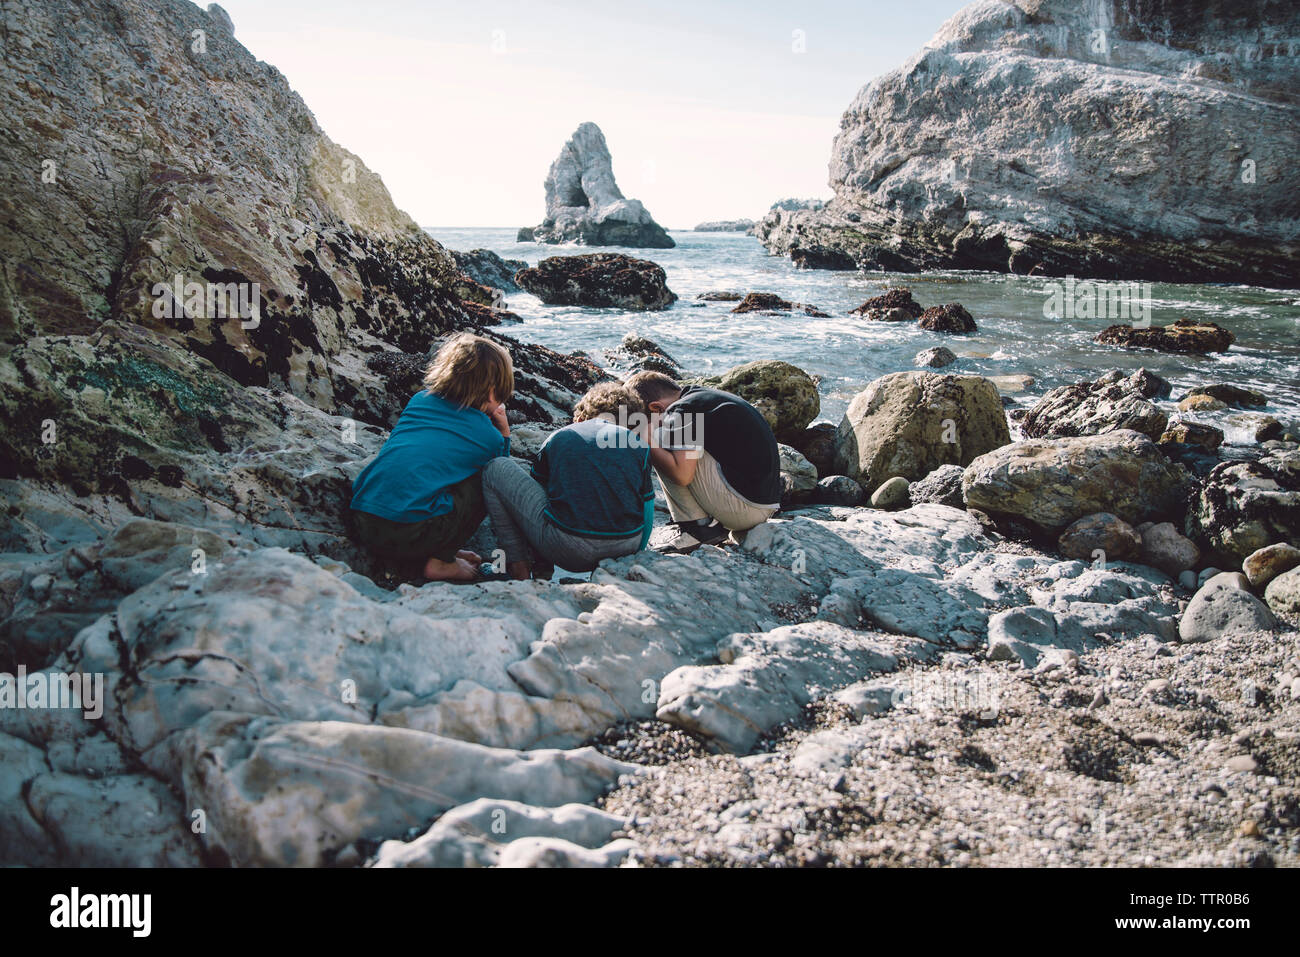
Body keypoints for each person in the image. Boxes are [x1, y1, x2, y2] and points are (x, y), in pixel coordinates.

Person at [349, 332, 513, 582]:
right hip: (409, 531)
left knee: (429, 476)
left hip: (363, 517)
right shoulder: (488, 436)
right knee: (487, 477)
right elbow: (502, 473)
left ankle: (433, 550)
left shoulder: (419, 400)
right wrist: (504, 434)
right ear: (492, 393)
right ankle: (442, 562)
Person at [481, 382, 653, 580]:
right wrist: (635, 555)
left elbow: (540, 502)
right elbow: (647, 508)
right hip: (626, 547)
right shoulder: (637, 444)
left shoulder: (561, 436)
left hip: (568, 550)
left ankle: (520, 569)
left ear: (579, 418)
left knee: (496, 468)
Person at [625, 370, 780, 552]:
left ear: (656, 408)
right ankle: (703, 524)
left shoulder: (683, 410)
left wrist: (646, 437)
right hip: (763, 502)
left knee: (660, 440)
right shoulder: (701, 398)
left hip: (745, 509)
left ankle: (696, 529)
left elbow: (682, 476)